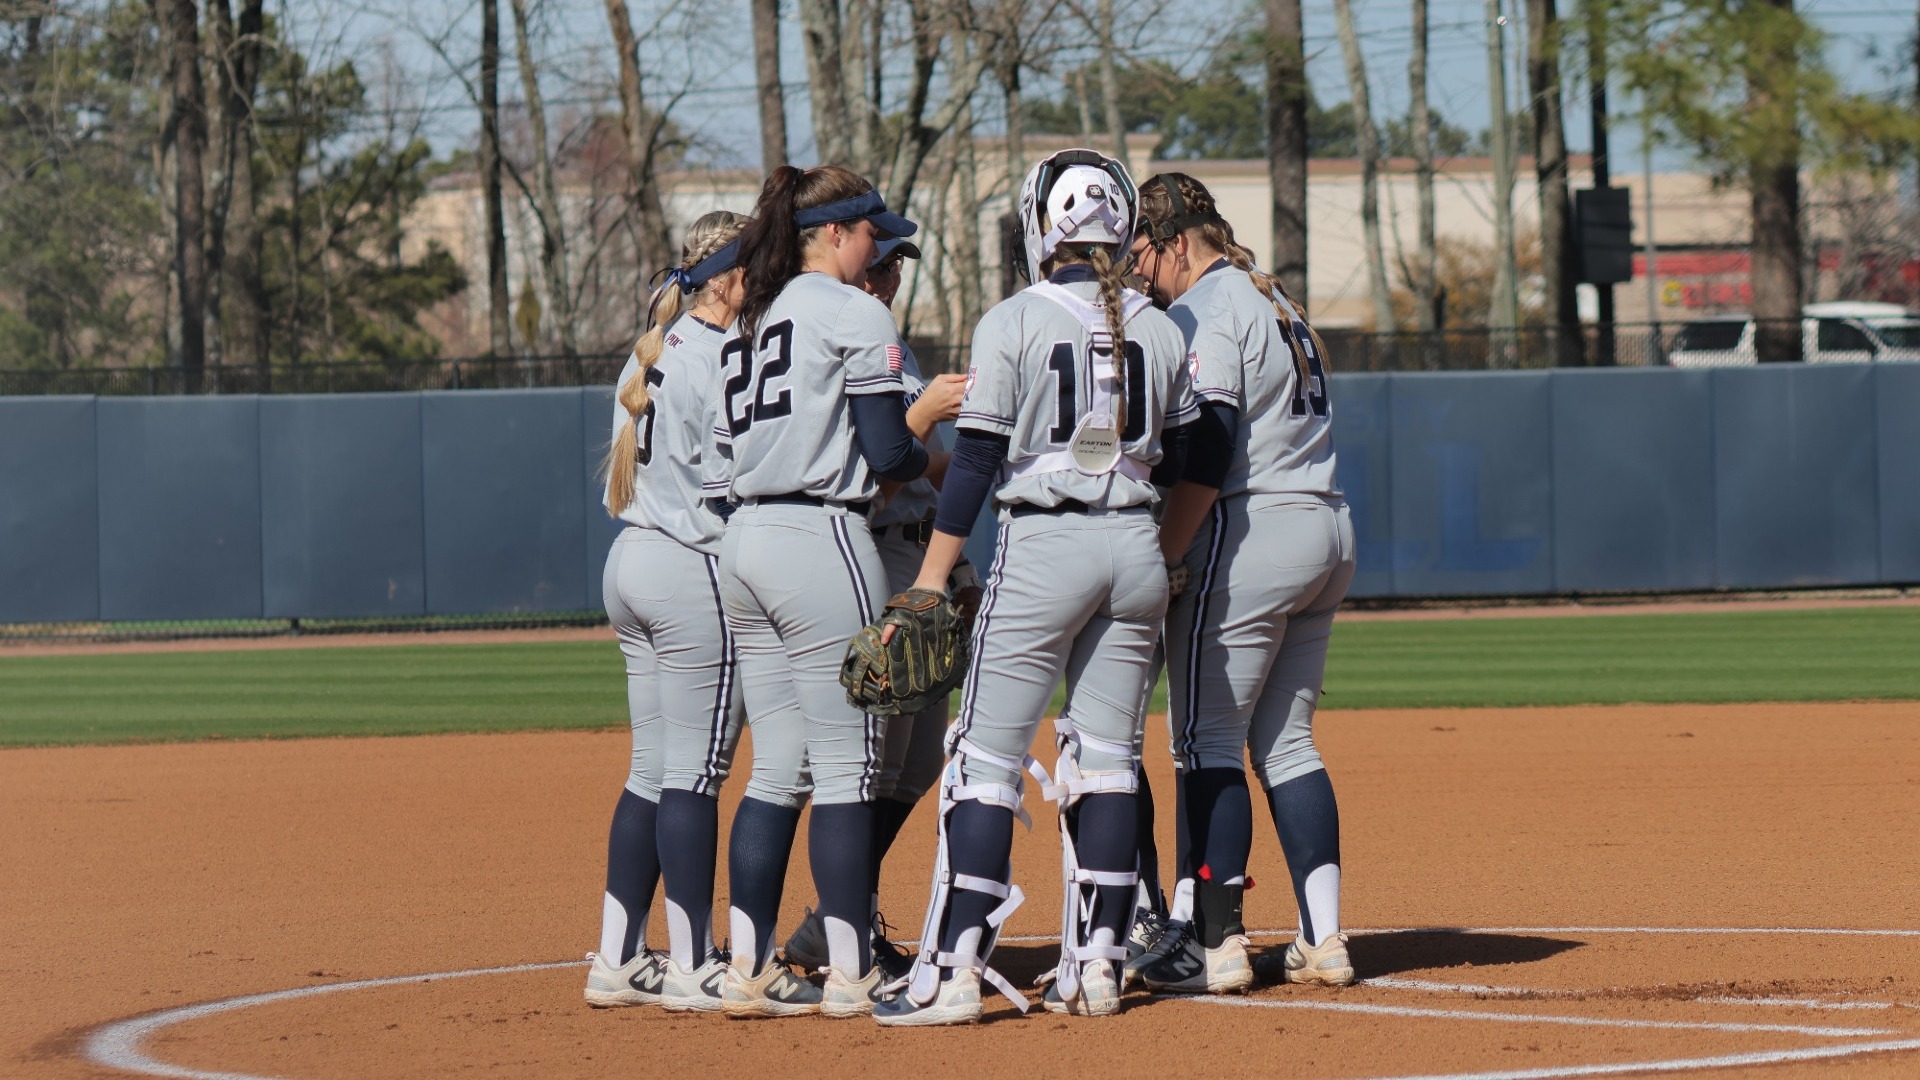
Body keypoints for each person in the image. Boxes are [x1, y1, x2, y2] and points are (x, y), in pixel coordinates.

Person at [872, 148, 1198, 1026]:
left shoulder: (1014, 317)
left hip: (1045, 544)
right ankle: (1094, 966)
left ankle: (952, 970)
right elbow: (1204, 456)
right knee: (1110, 764)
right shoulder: (1163, 328)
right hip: (1134, 545)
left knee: (983, 761)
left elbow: (976, 457)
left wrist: (932, 576)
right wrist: (1157, 554)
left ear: (1039, 225)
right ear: (1124, 225)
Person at [710, 165, 937, 1019]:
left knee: (776, 772)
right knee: (849, 770)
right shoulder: (855, 309)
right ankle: (850, 974)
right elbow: (890, 458)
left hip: (745, 543)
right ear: (836, 233)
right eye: (872, 231)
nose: (879, 244)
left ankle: (746, 968)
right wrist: (944, 438)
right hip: (819, 534)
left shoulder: (751, 314)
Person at [1124, 172, 1356, 994]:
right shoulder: (1276, 299)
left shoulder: (1208, 309)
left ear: (1178, 241)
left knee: (1204, 744)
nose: (1139, 276)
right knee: (1287, 743)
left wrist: (1162, 554)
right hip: (1327, 524)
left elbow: (1211, 446)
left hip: (1251, 531)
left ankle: (1214, 945)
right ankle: (1324, 937)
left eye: (1143, 256)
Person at [777, 232, 971, 981]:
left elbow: (926, 478)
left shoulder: (889, 343)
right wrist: (925, 418)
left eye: (896, 265)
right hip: (873, 549)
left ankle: (834, 917)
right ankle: (840, 923)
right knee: (869, 764)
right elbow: (873, 481)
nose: (889, 275)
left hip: (922, 553)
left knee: (916, 762)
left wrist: (960, 567)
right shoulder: (839, 344)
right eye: (881, 259)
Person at [583, 211, 749, 1010]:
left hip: (631, 561)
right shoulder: (724, 356)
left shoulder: (653, 347)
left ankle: (617, 956)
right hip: (691, 568)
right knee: (696, 774)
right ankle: (693, 963)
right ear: (730, 275)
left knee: (651, 770)